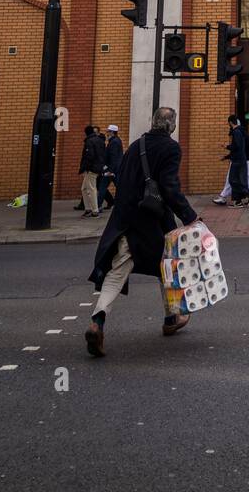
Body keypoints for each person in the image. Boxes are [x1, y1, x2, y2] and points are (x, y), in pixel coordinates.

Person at [86, 106, 200, 357]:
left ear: (153, 122)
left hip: (126, 218)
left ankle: (98, 320)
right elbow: (170, 188)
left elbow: (125, 181)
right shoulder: (170, 148)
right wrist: (190, 217)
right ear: (171, 125)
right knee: (166, 267)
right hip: (151, 221)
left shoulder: (137, 145)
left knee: (117, 272)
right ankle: (171, 318)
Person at [213, 116, 249, 206]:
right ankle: (248, 196)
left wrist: (227, 147)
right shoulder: (242, 132)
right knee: (239, 179)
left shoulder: (237, 133)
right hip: (243, 159)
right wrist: (227, 156)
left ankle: (246, 196)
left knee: (235, 179)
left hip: (239, 160)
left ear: (230, 122)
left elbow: (237, 147)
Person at [79, 125, 106, 217]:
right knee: (84, 188)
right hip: (98, 167)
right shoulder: (100, 140)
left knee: (91, 188)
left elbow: (89, 156)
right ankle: (88, 208)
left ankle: (94, 210)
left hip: (91, 168)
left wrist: (85, 167)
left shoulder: (89, 141)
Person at [97, 124, 124, 212]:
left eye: (108, 131)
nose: (107, 133)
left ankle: (98, 206)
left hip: (112, 170)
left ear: (112, 132)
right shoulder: (115, 141)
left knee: (102, 187)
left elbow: (114, 157)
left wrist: (110, 170)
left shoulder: (114, 142)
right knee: (119, 187)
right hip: (114, 169)